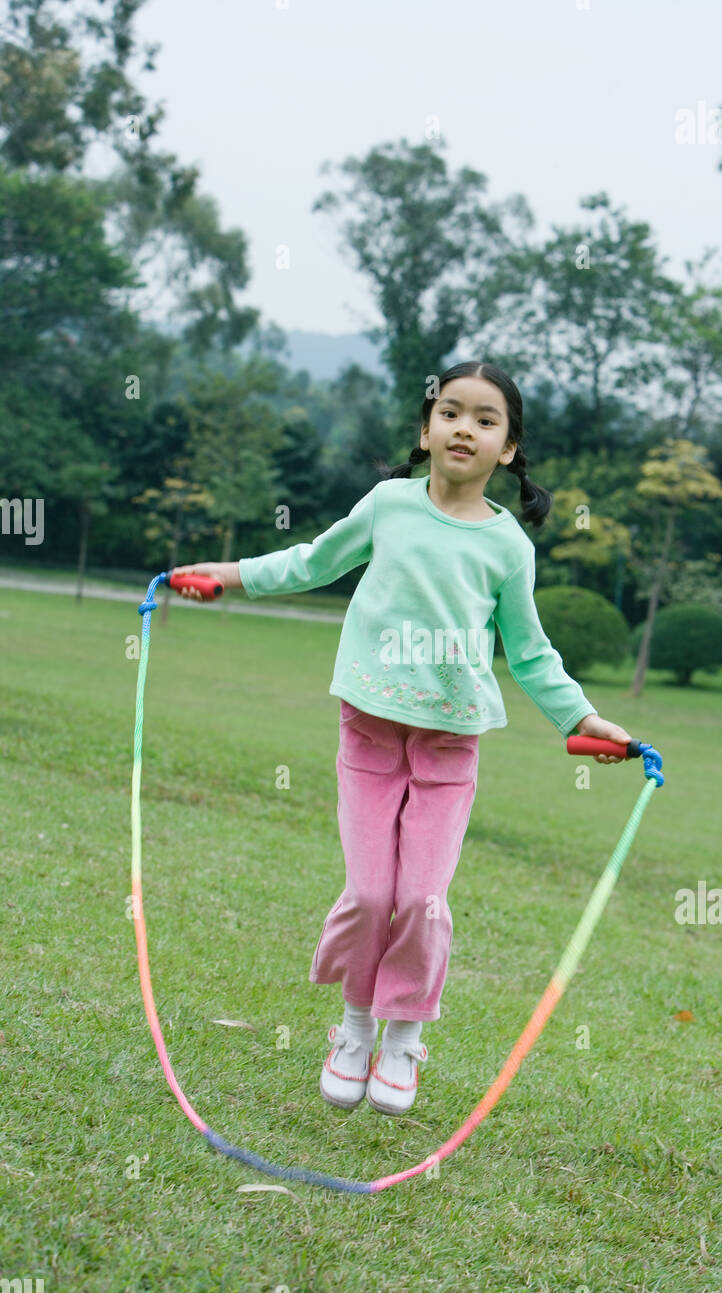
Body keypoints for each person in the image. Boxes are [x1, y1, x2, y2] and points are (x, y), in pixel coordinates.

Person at [173, 360, 633, 1118]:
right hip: (370, 729)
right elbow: (312, 563)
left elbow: (529, 652)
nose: (465, 428)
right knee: (370, 892)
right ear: (425, 431)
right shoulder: (388, 505)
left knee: (420, 898)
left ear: (508, 449)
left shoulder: (507, 547)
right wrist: (228, 576)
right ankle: (354, 1028)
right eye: (450, 412)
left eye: (486, 420)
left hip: (450, 744)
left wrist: (583, 719)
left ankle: (405, 1034)